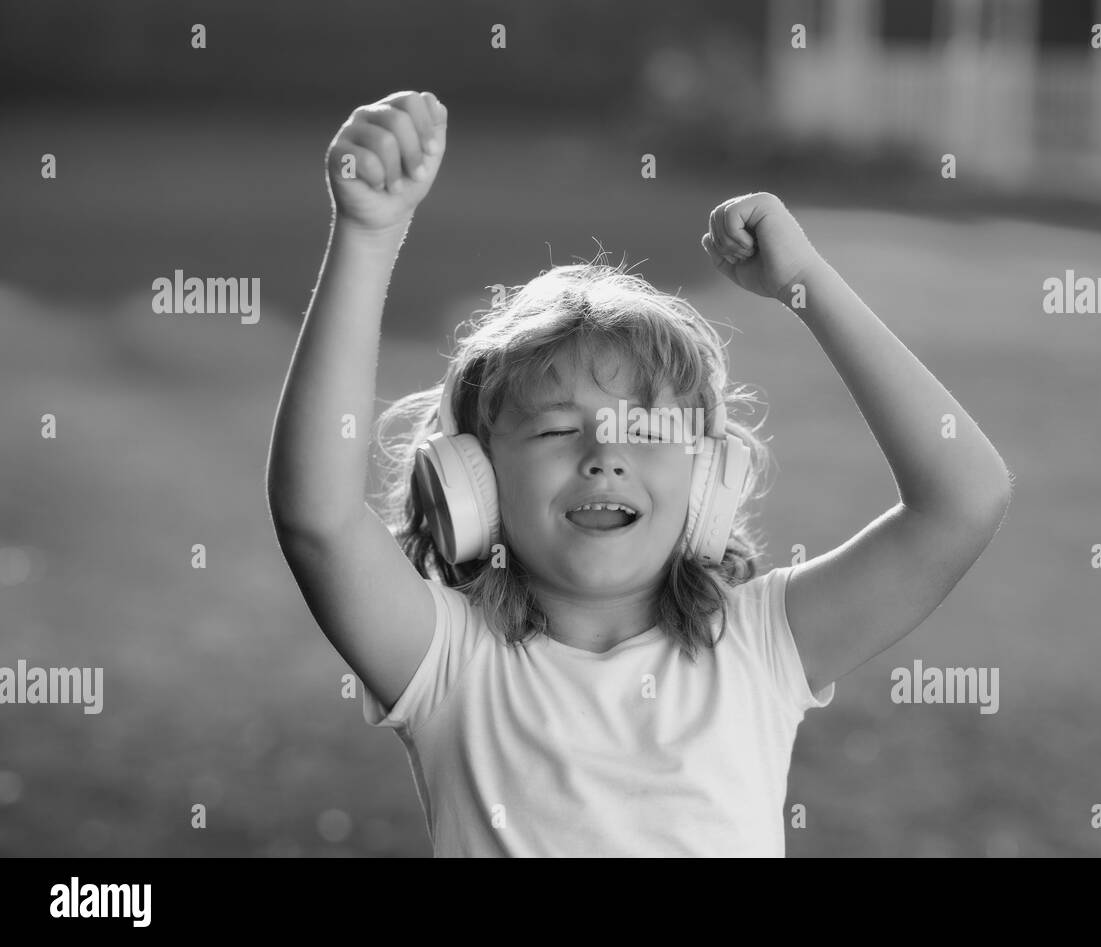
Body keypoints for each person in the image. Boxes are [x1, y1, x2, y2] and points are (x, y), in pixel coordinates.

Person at [266, 90, 1013, 857]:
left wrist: (806, 284)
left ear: (708, 484)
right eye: (556, 427)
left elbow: (964, 500)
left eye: (647, 428)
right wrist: (367, 234)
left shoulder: (759, 646)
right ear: (474, 482)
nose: (604, 451)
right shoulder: (449, 659)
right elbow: (317, 521)